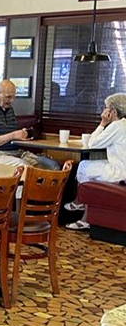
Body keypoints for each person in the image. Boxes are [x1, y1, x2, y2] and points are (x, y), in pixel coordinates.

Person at [65, 93, 126, 230]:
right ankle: (82, 208)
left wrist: (102, 123)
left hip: (120, 173)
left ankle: (81, 204)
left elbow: (92, 143)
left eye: (106, 108)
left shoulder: (117, 126)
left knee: (84, 166)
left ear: (113, 112)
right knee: (88, 167)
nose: (103, 111)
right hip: (122, 168)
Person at [0, 79, 59, 170]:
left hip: (16, 152)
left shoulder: (9, 110)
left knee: (53, 166)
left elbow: (12, 134)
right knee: (26, 168)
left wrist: (22, 134)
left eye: (13, 97)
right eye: (8, 97)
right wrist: (13, 135)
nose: (12, 100)